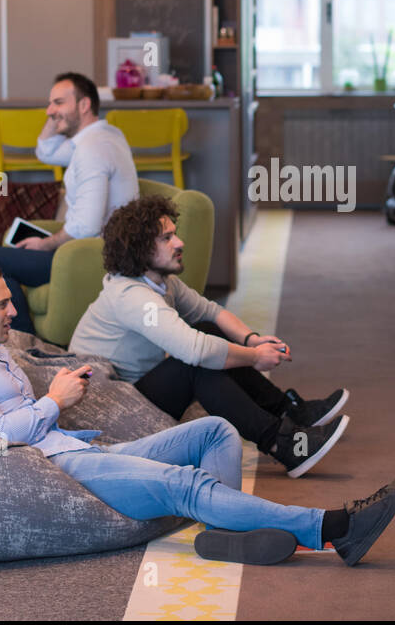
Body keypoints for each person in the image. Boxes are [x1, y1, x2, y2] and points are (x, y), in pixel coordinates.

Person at [0, 262, 395, 566]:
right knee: (188, 485)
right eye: (3, 304)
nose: (13, 311)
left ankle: (225, 532)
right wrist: (55, 401)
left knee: (216, 431)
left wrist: (55, 396)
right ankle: (333, 529)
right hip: (57, 471)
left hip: (79, 449)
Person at [70, 195, 350, 478]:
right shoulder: (134, 299)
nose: (179, 243)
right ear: (140, 250)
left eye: (174, 234)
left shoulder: (160, 284)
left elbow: (211, 313)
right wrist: (254, 358)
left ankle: (288, 412)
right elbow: (197, 351)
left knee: (208, 333)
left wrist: (252, 340)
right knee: (195, 365)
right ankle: (281, 443)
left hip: (130, 390)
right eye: (166, 238)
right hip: (110, 409)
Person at [0, 73, 139, 334]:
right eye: (50, 103)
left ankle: (23, 344)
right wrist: (57, 115)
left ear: (84, 105)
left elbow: (86, 226)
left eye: (59, 103)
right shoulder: (105, 137)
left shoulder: (92, 150)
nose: (49, 111)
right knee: (0, 269)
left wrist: (46, 243)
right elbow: (46, 151)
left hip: (90, 256)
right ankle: (19, 340)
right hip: (89, 249)